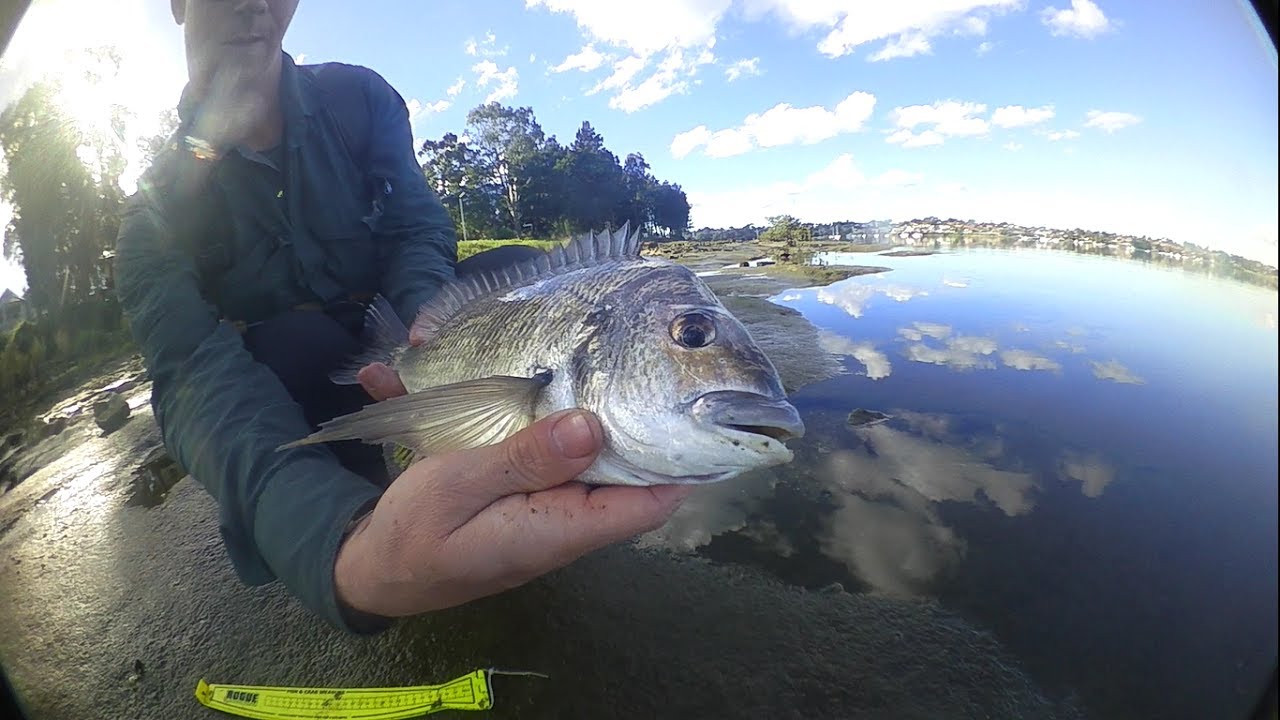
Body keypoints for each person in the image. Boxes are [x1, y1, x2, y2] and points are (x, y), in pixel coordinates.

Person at [114, 0, 691, 634]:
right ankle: (370, 510)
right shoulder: (152, 215)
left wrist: (429, 325)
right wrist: (336, 544)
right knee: (295, 344)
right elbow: (190, 370)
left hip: (406, 327)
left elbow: (416, 226)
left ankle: (521, 476)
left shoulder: (359, 98)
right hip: (315, 375)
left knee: (534, 267)